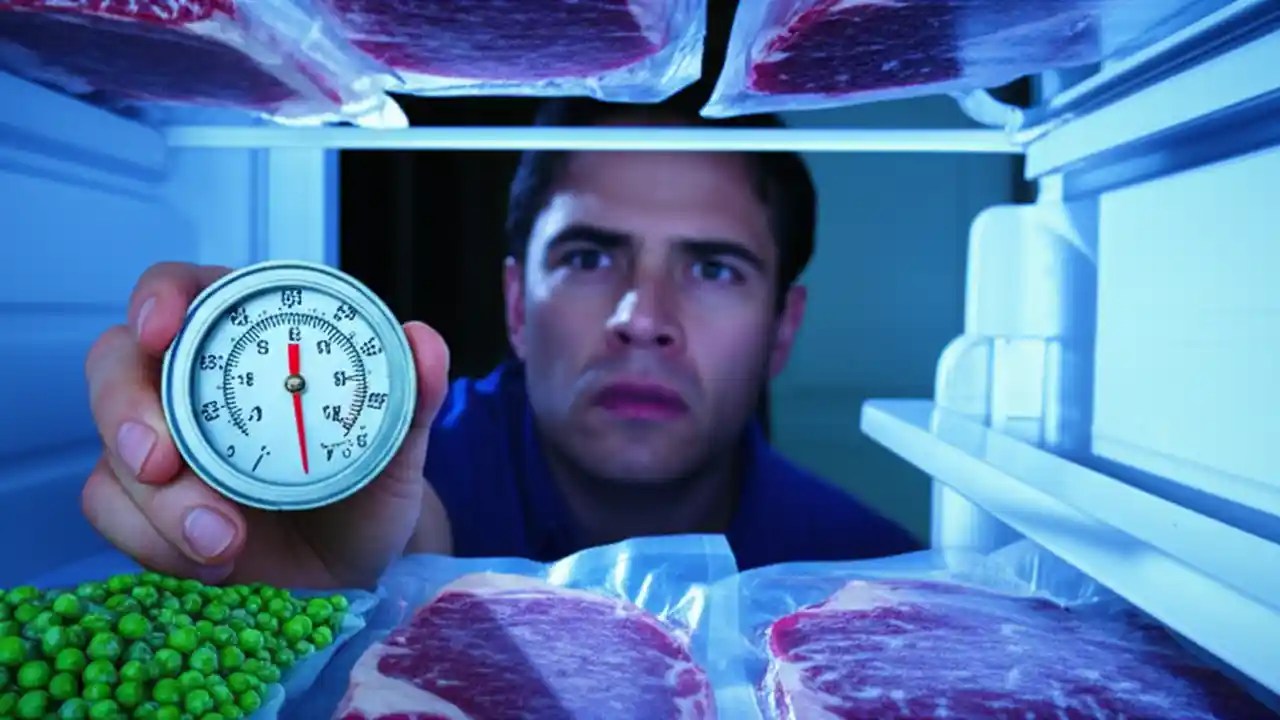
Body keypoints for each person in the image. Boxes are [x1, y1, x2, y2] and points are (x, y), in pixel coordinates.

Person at [81, 94, 920, 590]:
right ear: (517, 302)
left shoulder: (882, 577)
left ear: (784, 328)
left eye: (714, 269)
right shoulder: (346, 483)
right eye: (591, 255)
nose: (640, 314)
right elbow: (397, 537)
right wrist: (332, 578)